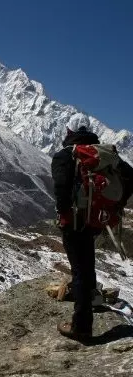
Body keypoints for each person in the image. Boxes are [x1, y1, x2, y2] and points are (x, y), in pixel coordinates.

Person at [51, 122, 133, 340]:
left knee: (79, 270)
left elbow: (60, 188)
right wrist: (116, 205)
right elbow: (131, 177)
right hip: (96, 220)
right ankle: (93, 298)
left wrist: (64, 213)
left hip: (74, 222)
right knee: (87, 261)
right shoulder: (105, 155)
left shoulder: (65, 155)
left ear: (70, 134)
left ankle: (81, 325)